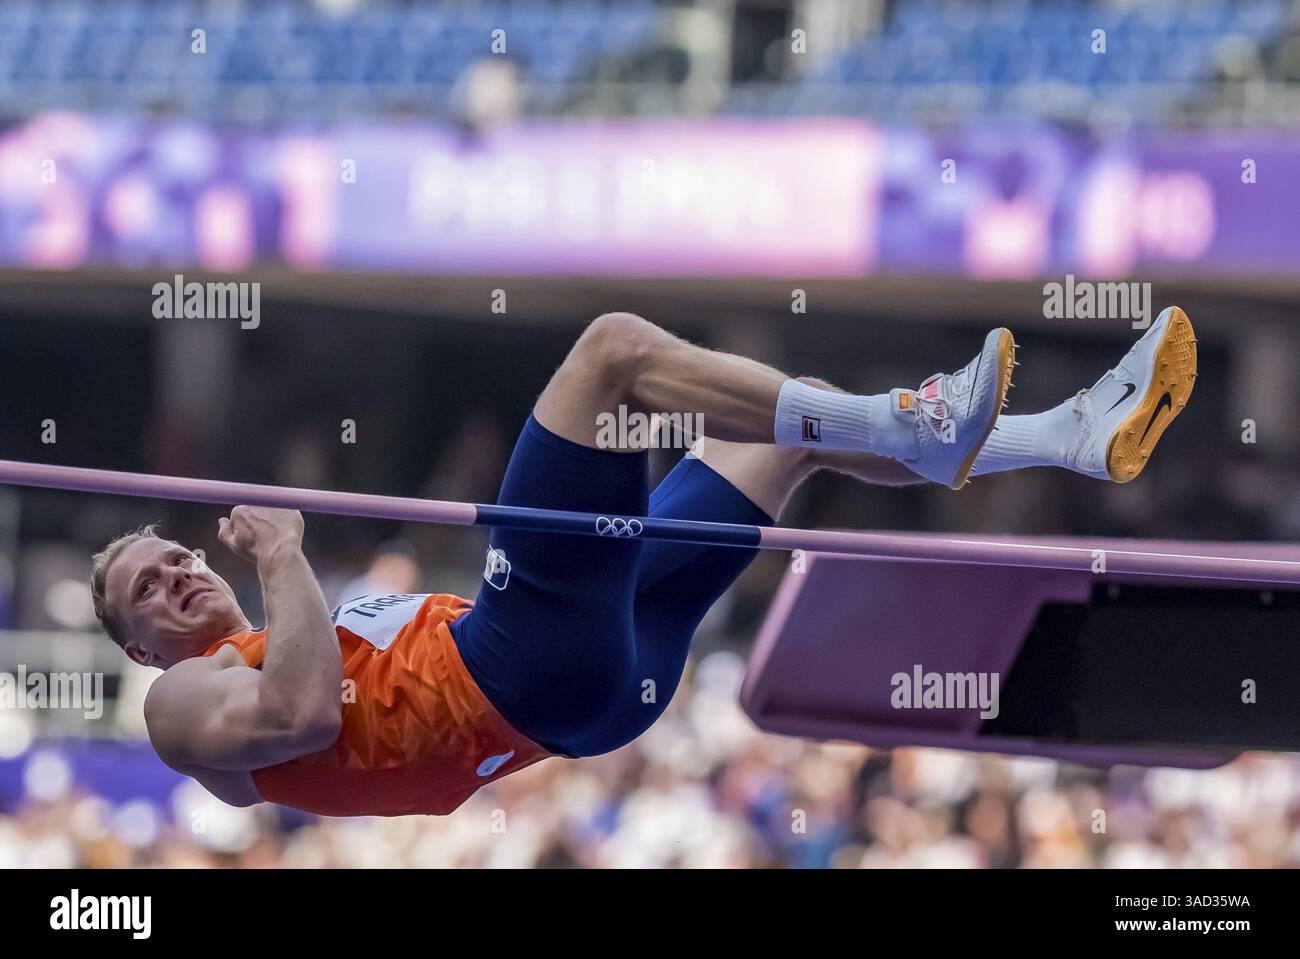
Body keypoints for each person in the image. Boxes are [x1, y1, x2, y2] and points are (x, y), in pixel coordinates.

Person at [89, 307, 1196, 816]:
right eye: (148, 585)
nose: (177, 571)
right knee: (612, 353)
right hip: (521, 665)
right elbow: (304, 715)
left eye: (175, 551)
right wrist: (283, 554)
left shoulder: (234, 665)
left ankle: (1064, 438)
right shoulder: (183, 700)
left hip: (600, 679)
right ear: (139, 644)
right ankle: (912, 423)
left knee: (769, 437)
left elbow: (298, 720)